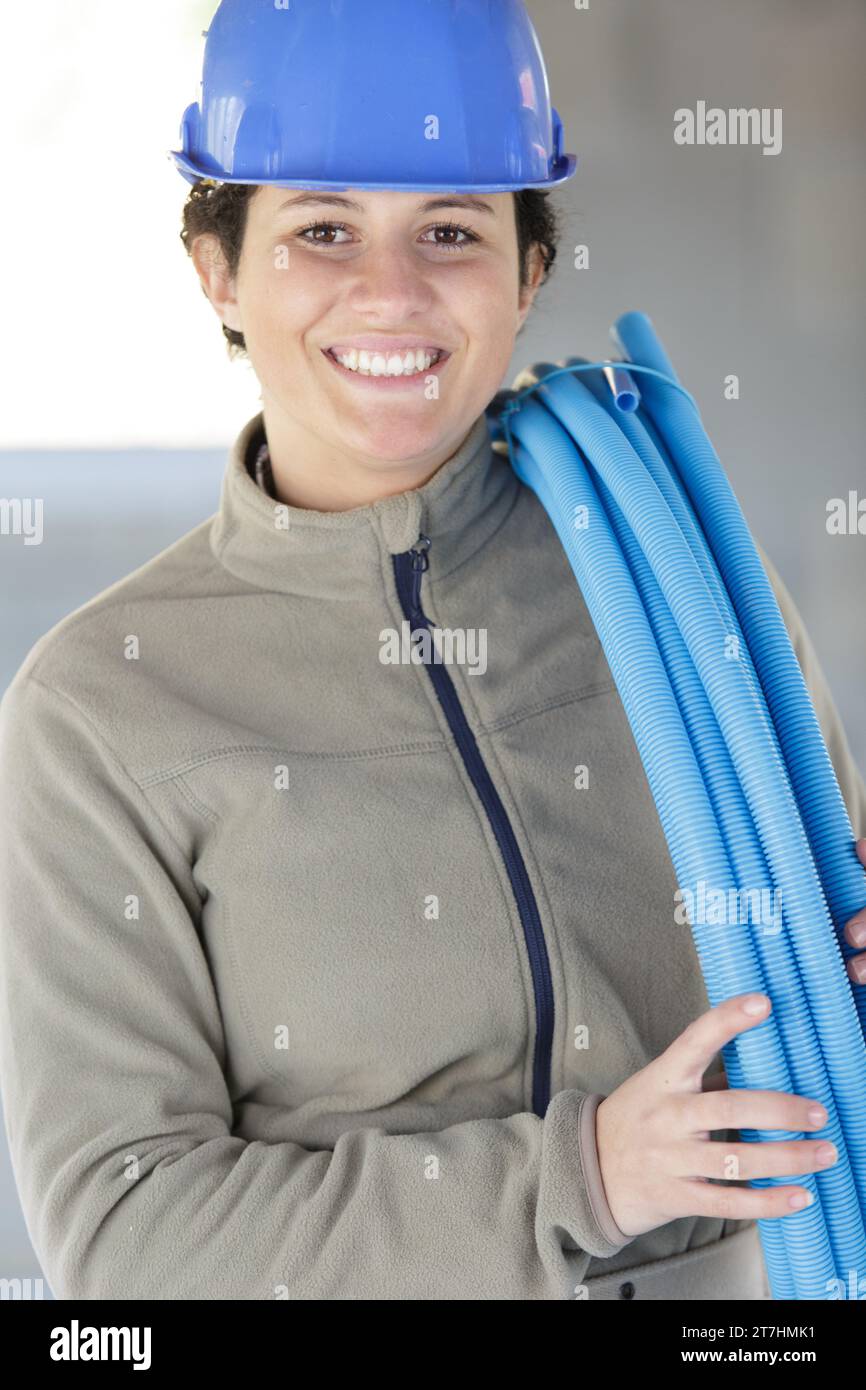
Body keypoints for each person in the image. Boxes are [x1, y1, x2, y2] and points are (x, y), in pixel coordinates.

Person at [1, 0, 864, 1303]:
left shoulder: (680, 585)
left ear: (528, 271)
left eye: (451, 231)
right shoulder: (103, 703)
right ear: (216, 270)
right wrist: (585, 1173)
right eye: (321, 231)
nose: (390, 293)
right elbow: (130, 1239)